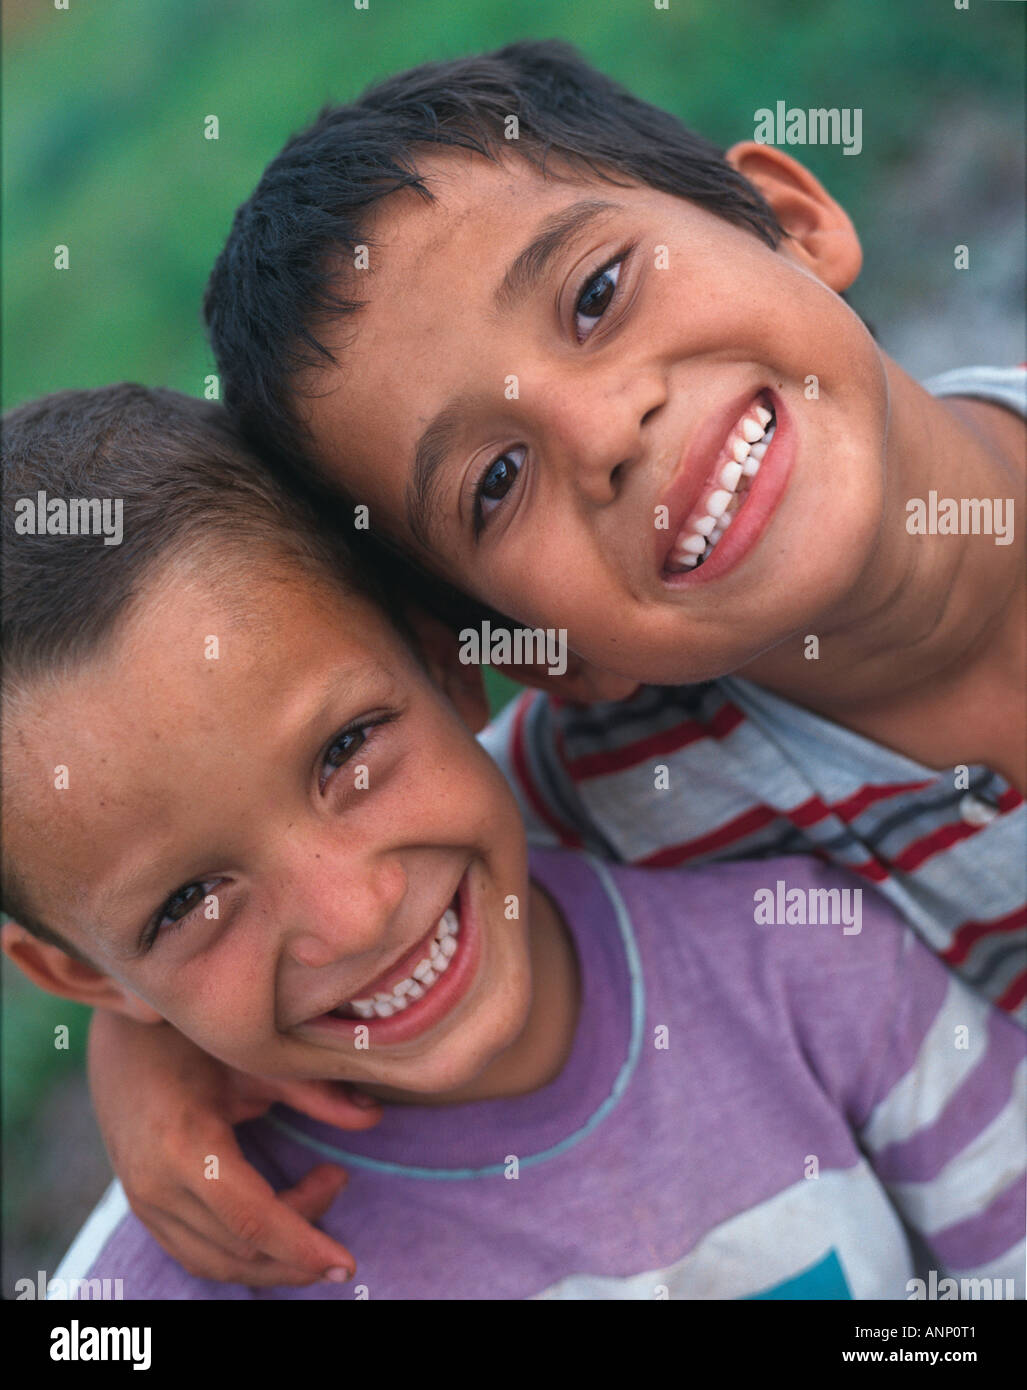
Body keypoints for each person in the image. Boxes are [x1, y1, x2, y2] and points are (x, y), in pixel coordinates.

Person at [3, 387, 1023, 1299]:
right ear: (77, 973)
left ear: (451, 666)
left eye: (347, 750)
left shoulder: (811, 968)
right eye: (187, 902)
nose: (352, 914)